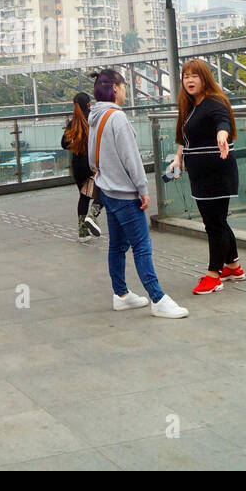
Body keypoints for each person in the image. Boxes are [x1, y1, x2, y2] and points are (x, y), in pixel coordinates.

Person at [88, 68, 188, 319]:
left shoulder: (95, 116)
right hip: (124, 193)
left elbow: (92, 158)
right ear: (115, 88)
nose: (125, 90)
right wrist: (143, 189)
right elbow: (132, 160)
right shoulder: (117, 118)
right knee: (142, 246)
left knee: (118, 245)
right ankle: (158, 298)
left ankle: (121, 294)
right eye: (123, 86)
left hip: (107, 190)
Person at [171, 59, 245, 296]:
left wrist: (222, 136)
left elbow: (222, 122)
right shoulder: (190, 105)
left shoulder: (215, 102)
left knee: (214, 223)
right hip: (200, 173)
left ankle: (214, 275)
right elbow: (186, 139)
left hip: (217, 171)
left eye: (194, 76)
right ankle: (232, 265)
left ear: (205, 78)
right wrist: (177, 158)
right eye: (185, 76)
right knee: (217, 221)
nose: (189, 80)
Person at [61, 92, 103, 241]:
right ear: (89, 104)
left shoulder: (73, 123)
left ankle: (82, 231)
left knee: (83, 197)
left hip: (77, 166)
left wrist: (76, 145)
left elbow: (63, 144)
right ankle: (92, 215)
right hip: (91, 165)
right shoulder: (93, 119)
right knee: (103, 193)